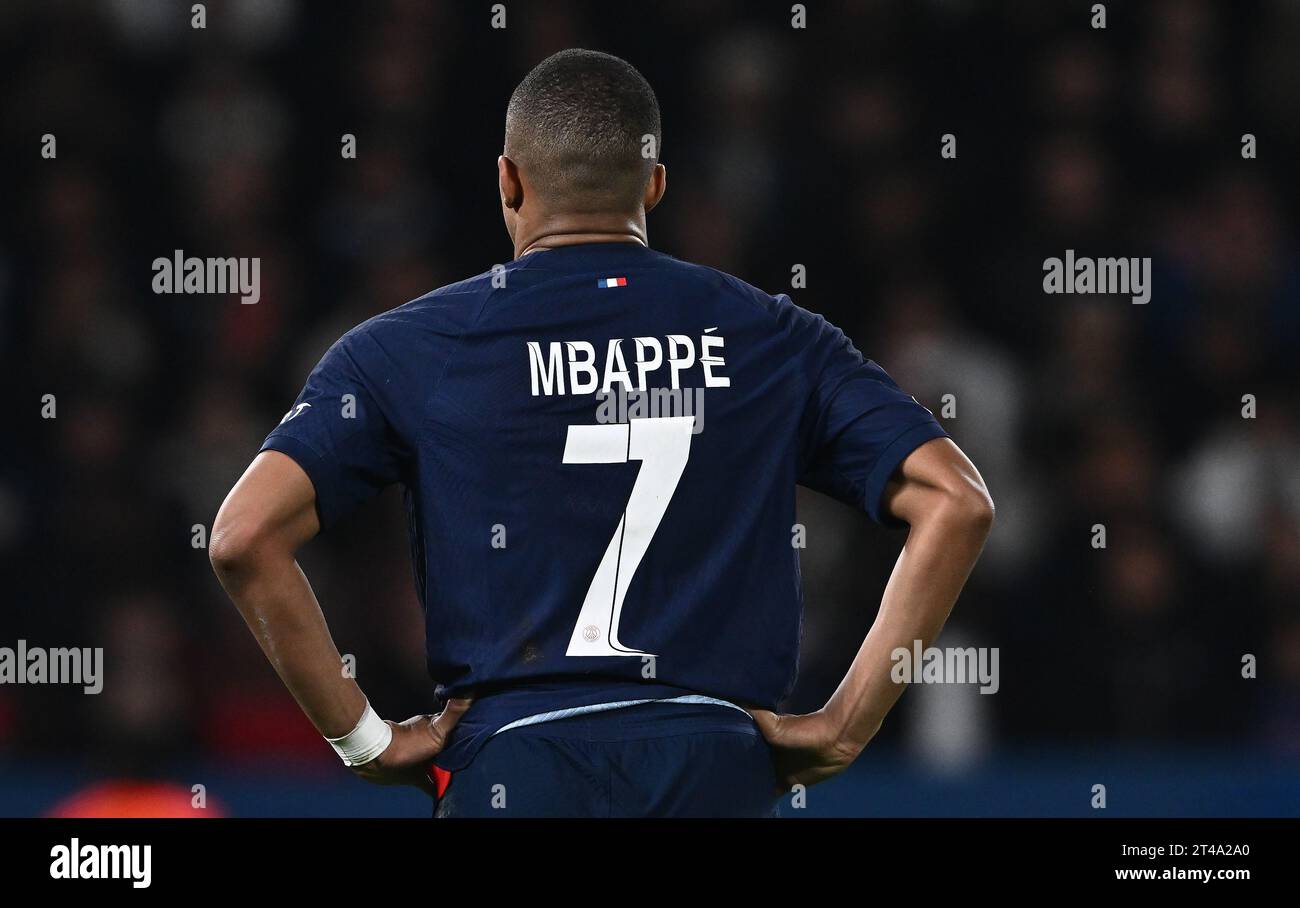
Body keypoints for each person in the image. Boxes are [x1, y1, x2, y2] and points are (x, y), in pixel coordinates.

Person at [209, 48, 994, 817]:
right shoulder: (772, 337)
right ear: (654, 184)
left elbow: (243, 537)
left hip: (516, 762)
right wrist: (844, 725)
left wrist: (364, 741)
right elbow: (956, 501)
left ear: (508, 180)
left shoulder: (410, 348)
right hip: (714, 763)